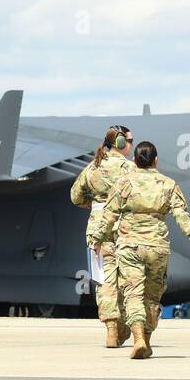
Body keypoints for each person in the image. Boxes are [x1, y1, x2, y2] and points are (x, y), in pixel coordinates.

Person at [90, 142, 190, 358]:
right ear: (156, 160)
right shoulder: (168, 184)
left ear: (135, 160)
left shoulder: (123, 183)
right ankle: (147, 340)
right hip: (157, 246)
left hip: (130, 245)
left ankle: (139, 338)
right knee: (152, 296)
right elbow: (181, 214)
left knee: (132, 293)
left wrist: (97, 239)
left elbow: (109, 214)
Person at [71, 126, 136, 347]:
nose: (132, 144)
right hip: (124, 227)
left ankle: (110, 329)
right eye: (129, 140)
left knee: (105, 280)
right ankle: (124, 326)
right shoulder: (130, 168)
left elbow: (75, 196)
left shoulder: (92, 167)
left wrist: (97, 204)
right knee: (128, 278)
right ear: (119, 143)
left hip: (98, 226)